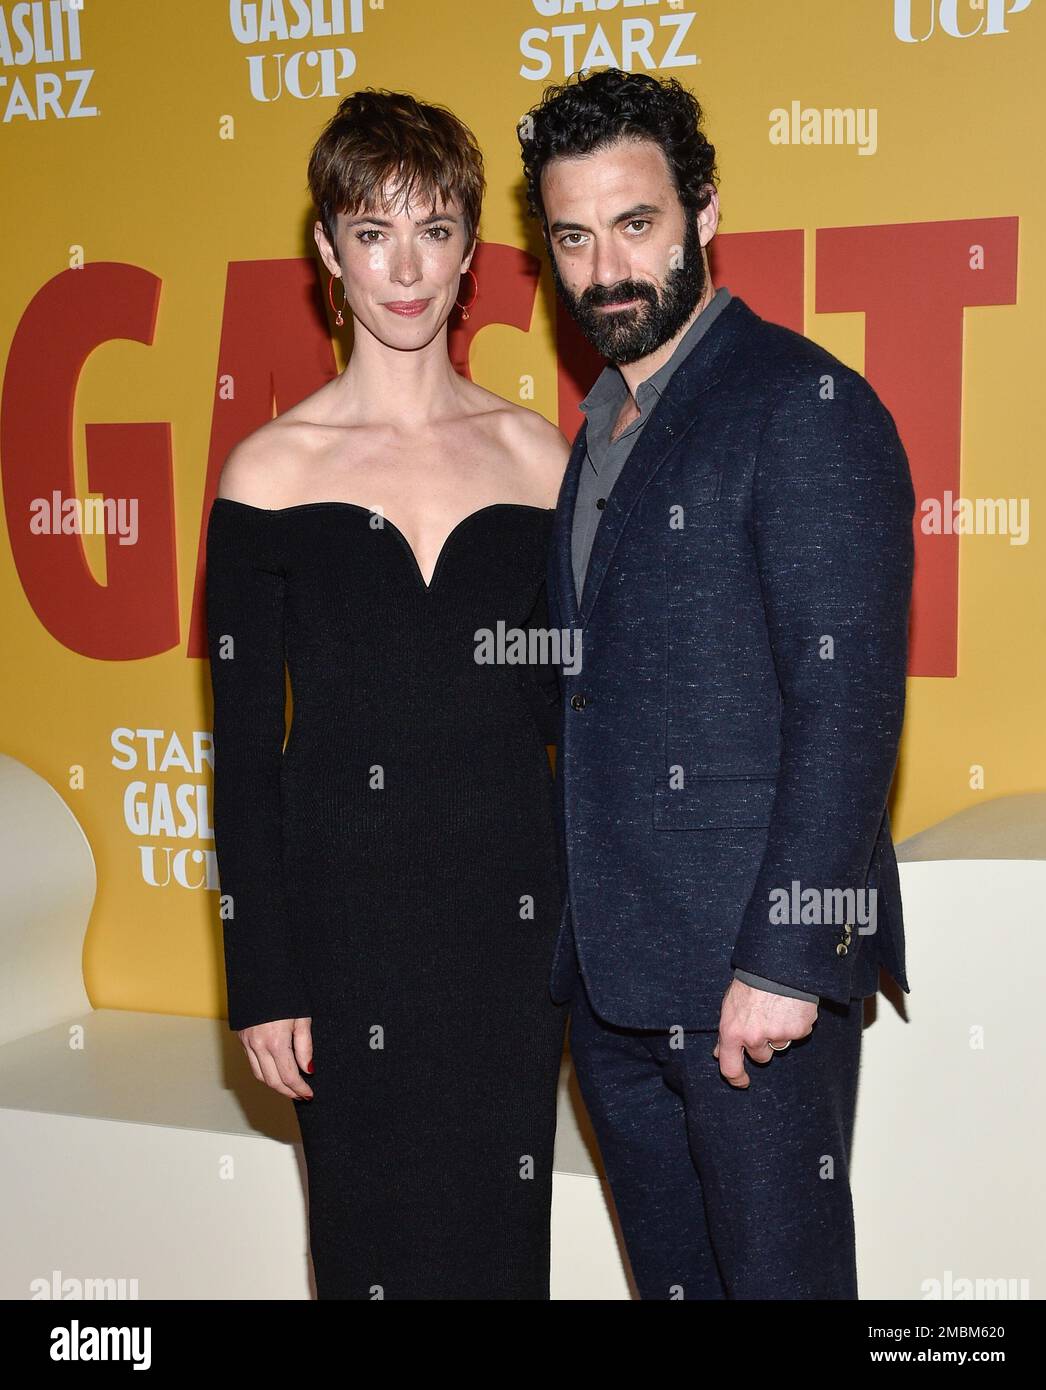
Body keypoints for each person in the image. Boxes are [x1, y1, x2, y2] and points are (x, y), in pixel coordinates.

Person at [518, 68, 915, 1299]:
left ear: (703, 212)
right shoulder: (598, 432)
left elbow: (845, 707)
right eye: (572, 237)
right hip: (617, 983)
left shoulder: (802, 405)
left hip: (754, 987)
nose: (605, 270)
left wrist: (787, 962)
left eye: (635, 224)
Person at [205, 88, 570, 1300]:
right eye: (373, 231)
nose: (404, 268)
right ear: (327, 250)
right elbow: (245, 756)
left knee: (499, 1258)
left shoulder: (542, 460)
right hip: (345, 931)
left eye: (434, 230)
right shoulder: (268, 473)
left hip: (509, 932)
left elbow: (579, 722)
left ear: (472, 251)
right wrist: (262, 977)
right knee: (363, 1258)